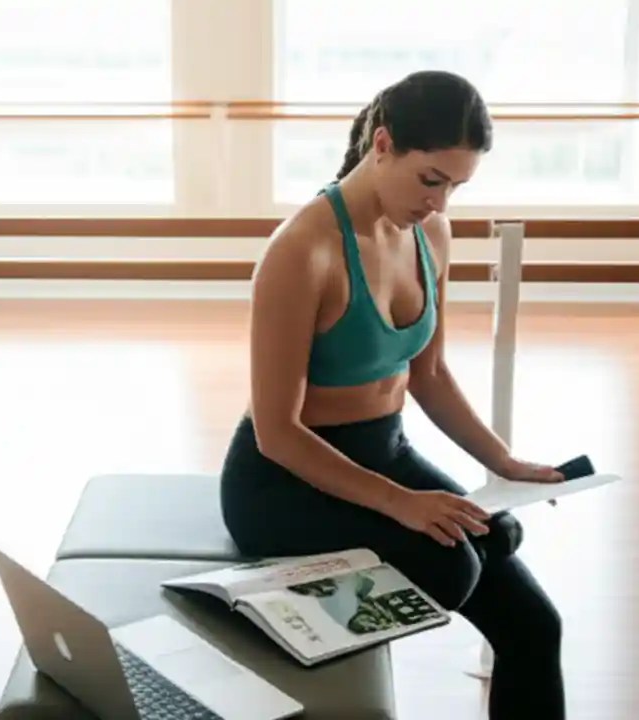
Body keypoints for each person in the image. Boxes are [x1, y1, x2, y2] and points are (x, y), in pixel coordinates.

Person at [218, 70, 567, 719]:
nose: (439, 202)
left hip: (386, 449)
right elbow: (277, 431)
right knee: (452, 568)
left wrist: (504, 463)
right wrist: (399, 503)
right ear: (383, 144)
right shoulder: (302, 250)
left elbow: (429, 374)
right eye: (431, 179)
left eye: (457, 186)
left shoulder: (431, 233)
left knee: (534, 623)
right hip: (284, 482)